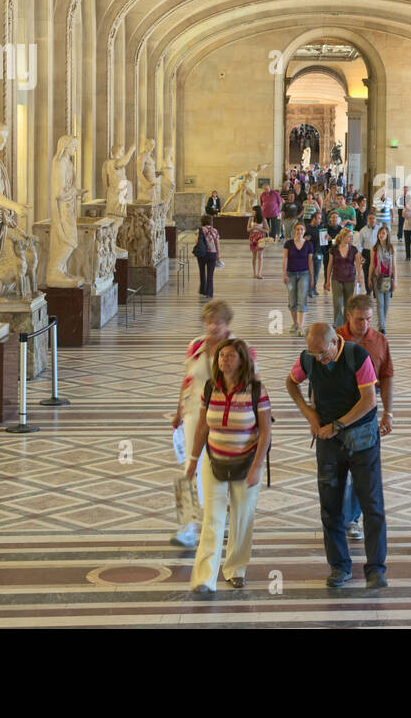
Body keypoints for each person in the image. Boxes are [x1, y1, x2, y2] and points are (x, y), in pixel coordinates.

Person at [286, 323, 388, 589]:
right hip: (329, 442)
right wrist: (309, 413)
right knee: (330, 505)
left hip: (362, 439)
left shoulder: (357, 356)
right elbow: (291, 382)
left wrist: (337, 425)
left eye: (322, 353)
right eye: (313, 353)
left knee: (371, 504)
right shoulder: (309, 358)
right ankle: (339, 566)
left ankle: (376, 569)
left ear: (335, 342)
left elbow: (369, 400)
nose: (318, 358)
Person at [185, 338, 271, 594]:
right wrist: (193, 460)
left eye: (231, 355)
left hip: (247, 464)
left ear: (242, 360)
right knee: (212, 518)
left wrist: (257, 467)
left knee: (242, 518)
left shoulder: (256, 390)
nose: (224, 360)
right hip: (214, 461)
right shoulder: (211, 387)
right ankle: (205, 578)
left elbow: (265, 432)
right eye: (222, 355)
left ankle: (236, 569)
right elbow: (202, 427)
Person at [170, 300, 237, 548]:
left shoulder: (238, 348)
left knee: (223, 471)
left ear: (227, 323)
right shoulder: (196, 346)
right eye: (209, 322)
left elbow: (250, 384)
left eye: (217, 322)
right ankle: (186, 528)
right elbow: (187, 379)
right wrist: (179, 411)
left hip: (225, 418)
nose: (212, 327)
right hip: (194, 414)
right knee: (190, 467)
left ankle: (224, 521)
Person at [335, 295, 395, 540]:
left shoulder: (379, 341)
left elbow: (387, 377)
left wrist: (388, 413)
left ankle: (352, 518)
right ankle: (338, 515)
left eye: (369, 319)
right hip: (337, 411)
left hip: (366, 413)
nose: (365, 325)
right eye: (360, 320)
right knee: (338, 470)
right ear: (348, 316)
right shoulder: (335, 338)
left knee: (362, 470)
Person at [282, 221, 316, 336]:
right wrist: (284, 274)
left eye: (302, 229)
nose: (299, 231)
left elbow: (310, 262)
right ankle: (295, 323)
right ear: (294, 230)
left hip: (304, 274)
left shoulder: (308, 245)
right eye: (297, 229)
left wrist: (312, 278)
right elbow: (285, 259)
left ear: (304, 231)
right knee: (292, 300)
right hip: (290, 274)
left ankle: (301, 327)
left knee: (302, 298)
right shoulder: (288, 244)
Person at [325, 227, 361, 327]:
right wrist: (327, 280)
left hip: (350, 278)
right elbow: (330, 265)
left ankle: (346, 324)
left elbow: (358, 264)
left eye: (351, 237)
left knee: (348, 303)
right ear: (342, 237)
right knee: (337, 302)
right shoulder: (333, 249)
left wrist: (359, 277)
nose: (351, 238)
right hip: (336, 278)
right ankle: (337, 324)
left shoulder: (353, 249)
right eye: (349, 236)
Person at [363, 225, 397, 332]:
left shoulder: (391, 248)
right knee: (380, 303)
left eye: (383, 233)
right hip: (377, 277)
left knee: (386, 304)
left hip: (388, 278)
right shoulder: (374, 248)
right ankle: (381, 327)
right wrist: (369, 278)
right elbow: (372, 264)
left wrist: (395, 280)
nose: (381, 235)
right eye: (380, 233)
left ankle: (382, 323)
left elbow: (394, 265)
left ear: (387, 235)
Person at [193, 215, 223, 298]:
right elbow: (217, 244)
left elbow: (196, 241)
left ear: (202, 221)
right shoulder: (215, 230)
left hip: (202, 254)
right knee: (210, 275)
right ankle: (209, 293)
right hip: (212, 254)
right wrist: (218, 255)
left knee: (202, 272)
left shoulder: (199, 230)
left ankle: (203, 290)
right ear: (210, 221)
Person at [304, 211, 323, 297]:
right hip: (309, 254)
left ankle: (314, 288)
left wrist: (327, 238)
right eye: (318, 218)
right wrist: (304, 238)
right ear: (314, 219)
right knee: (309, 273)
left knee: (316, 273)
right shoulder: (306, 228)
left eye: (320, 218)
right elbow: (301, 239)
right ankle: (309, 290)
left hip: (318, 253)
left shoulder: (321, 227)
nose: (320, 220)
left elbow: (324, 241)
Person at [247, 204, 268, 278]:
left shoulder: (263, 219)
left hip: (261, 238)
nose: (252, 212)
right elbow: (248, 229)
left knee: (260, 256)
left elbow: (267, 230)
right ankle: (254, 272)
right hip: (253, 237)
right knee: (254, 256)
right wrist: (252, 228)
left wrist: (260, 229)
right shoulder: (250, 219)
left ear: (257, 211)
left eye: (253, 210)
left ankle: (259, 273)